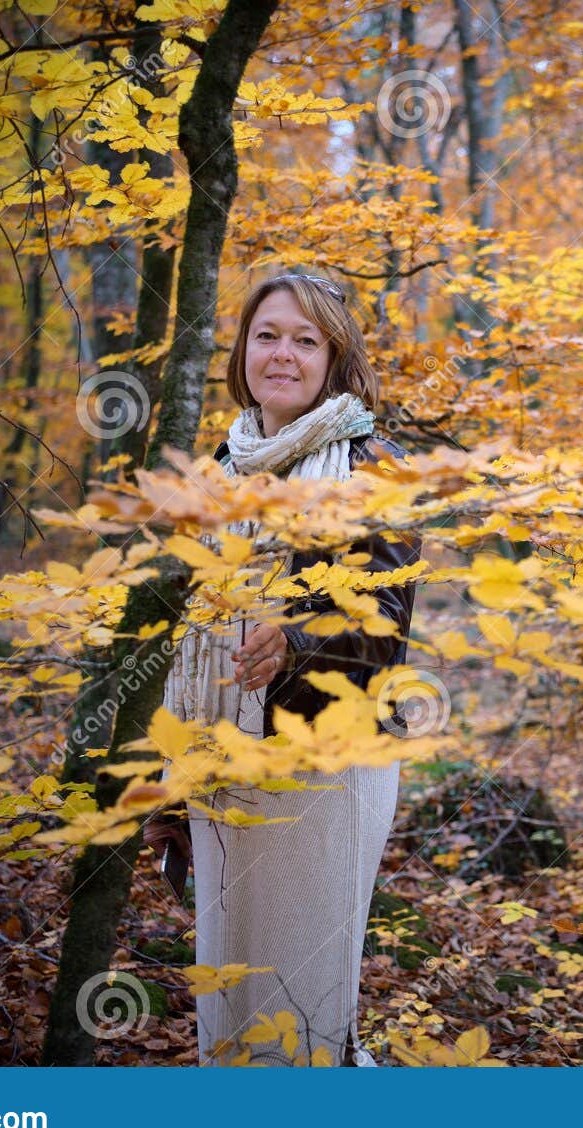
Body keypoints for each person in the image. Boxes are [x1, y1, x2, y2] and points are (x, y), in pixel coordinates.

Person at [142, 271, 419, 1067]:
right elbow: (176, 630)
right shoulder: (219, 470)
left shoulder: (374, 467)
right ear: (242, 351)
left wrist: (293, 642)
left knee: (305, 998)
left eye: (306, 339)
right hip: (224, 762)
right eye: (268, 335)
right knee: (229, 991)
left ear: (336, 356)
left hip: (327, 761)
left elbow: (384, 626)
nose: (284, 354)